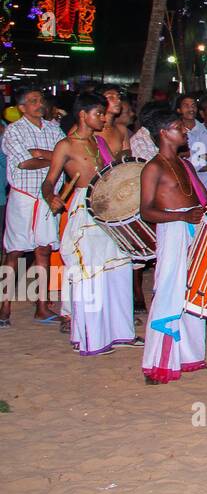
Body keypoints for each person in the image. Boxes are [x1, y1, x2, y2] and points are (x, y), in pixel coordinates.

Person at [139, 108, 207, 383]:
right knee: (169, 293)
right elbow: (146, 211)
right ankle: (156, 363)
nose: (184, 131)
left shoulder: (184, 165)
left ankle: (188, 356)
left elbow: (205, 202)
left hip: (193, 229)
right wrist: (182, 215)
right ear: (163, 133)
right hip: (172, 231)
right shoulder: (153, 167)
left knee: (193, 291)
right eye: (177, 127)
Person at [43, 92, 136, 355]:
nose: (103, 118)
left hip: (106, 207)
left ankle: (120, 332)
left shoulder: (99, 143)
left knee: (118, 268)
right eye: (98, 113)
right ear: (83, 115)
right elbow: (49, 180)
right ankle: (90, 337)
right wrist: (51, 197)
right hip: (83, 210)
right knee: (89, 272)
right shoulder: (66, 145)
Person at [0, 88, 64, 327]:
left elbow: (65, 156)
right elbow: (24, 163)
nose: (39, 104)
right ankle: (4, 306)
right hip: (24, 196)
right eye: (33, 101)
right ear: (22, 108)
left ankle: (42, 307)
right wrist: (55, 157)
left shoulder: (53, 129)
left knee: (43, 250)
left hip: (48, 197)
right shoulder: (14, 131)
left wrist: (42, 155)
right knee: (14, 251)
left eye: (40, 100)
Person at [99, 85, 130, 158]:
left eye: (118, 97)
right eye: (111, 97)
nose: (118, 100)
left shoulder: (121, 129)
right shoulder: (90, 129)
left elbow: (127, 160)